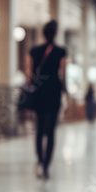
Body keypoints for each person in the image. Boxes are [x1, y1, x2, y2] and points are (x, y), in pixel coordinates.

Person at [28, 20, 67, 179]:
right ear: (55, 33)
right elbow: (63, 74)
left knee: (39, 128)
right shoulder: (60, 51)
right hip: (54, 92)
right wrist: (65, 93)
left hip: (39, 91)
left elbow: (29, 73)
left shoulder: (34, 51)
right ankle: (46, 166)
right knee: (50, 131)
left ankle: (39, 160)